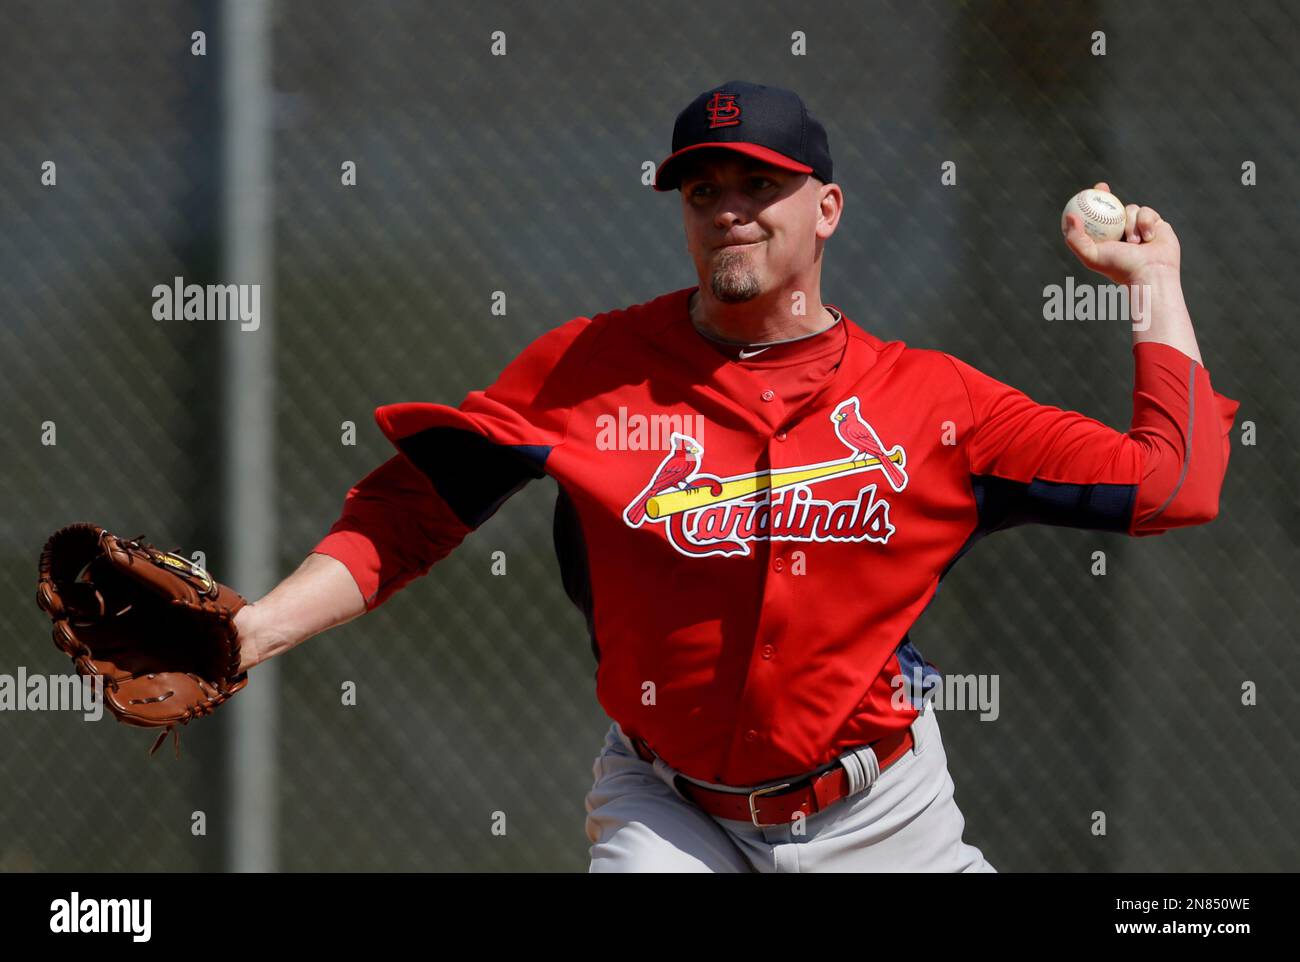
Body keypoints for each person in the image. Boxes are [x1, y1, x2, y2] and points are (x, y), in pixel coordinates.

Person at [232, 81, 1240, 872]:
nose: (729, 213)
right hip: (667, 809)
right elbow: (415, 506)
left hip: (881, 815)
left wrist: (1153, 285)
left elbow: (1175, 483)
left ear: (828, 207)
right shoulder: (588, 368)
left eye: (760, 186)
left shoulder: (936, 402)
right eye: (703, 190)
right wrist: (255, 629)